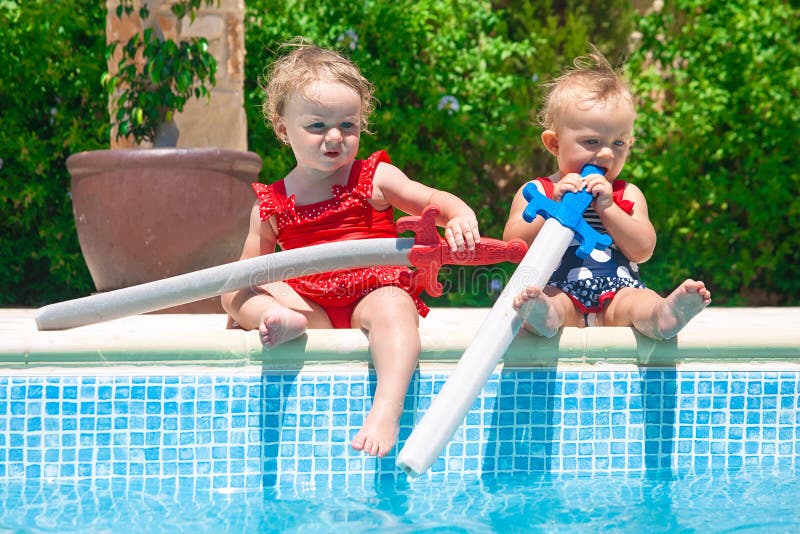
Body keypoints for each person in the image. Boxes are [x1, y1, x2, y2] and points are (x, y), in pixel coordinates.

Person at [222, 41, 481, 458]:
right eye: (317, 126)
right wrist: (249, 306)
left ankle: (386, 408)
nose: (335, 137)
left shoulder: (373, 178)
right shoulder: (271, 205)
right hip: (311, 309)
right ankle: (279, 321)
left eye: (348, 125)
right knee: (238, 294)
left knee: (396, 306)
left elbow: (430, 198)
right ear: (283, 129)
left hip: (369, 294)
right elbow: (238, 280)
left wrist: (460, 212)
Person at [503, 48, 710, 340]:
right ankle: (544, 315)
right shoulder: (537, 191)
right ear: (554, 144)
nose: (605, 153)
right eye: (591, 141)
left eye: (618, 143)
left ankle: (662, 316)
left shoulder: (627, 194)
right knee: (553, 302)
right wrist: (556, 204)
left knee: (639, 301)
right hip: (558, 287)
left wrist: (609, 208)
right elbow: (514, 246)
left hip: (618, 288)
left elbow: (642, 249)